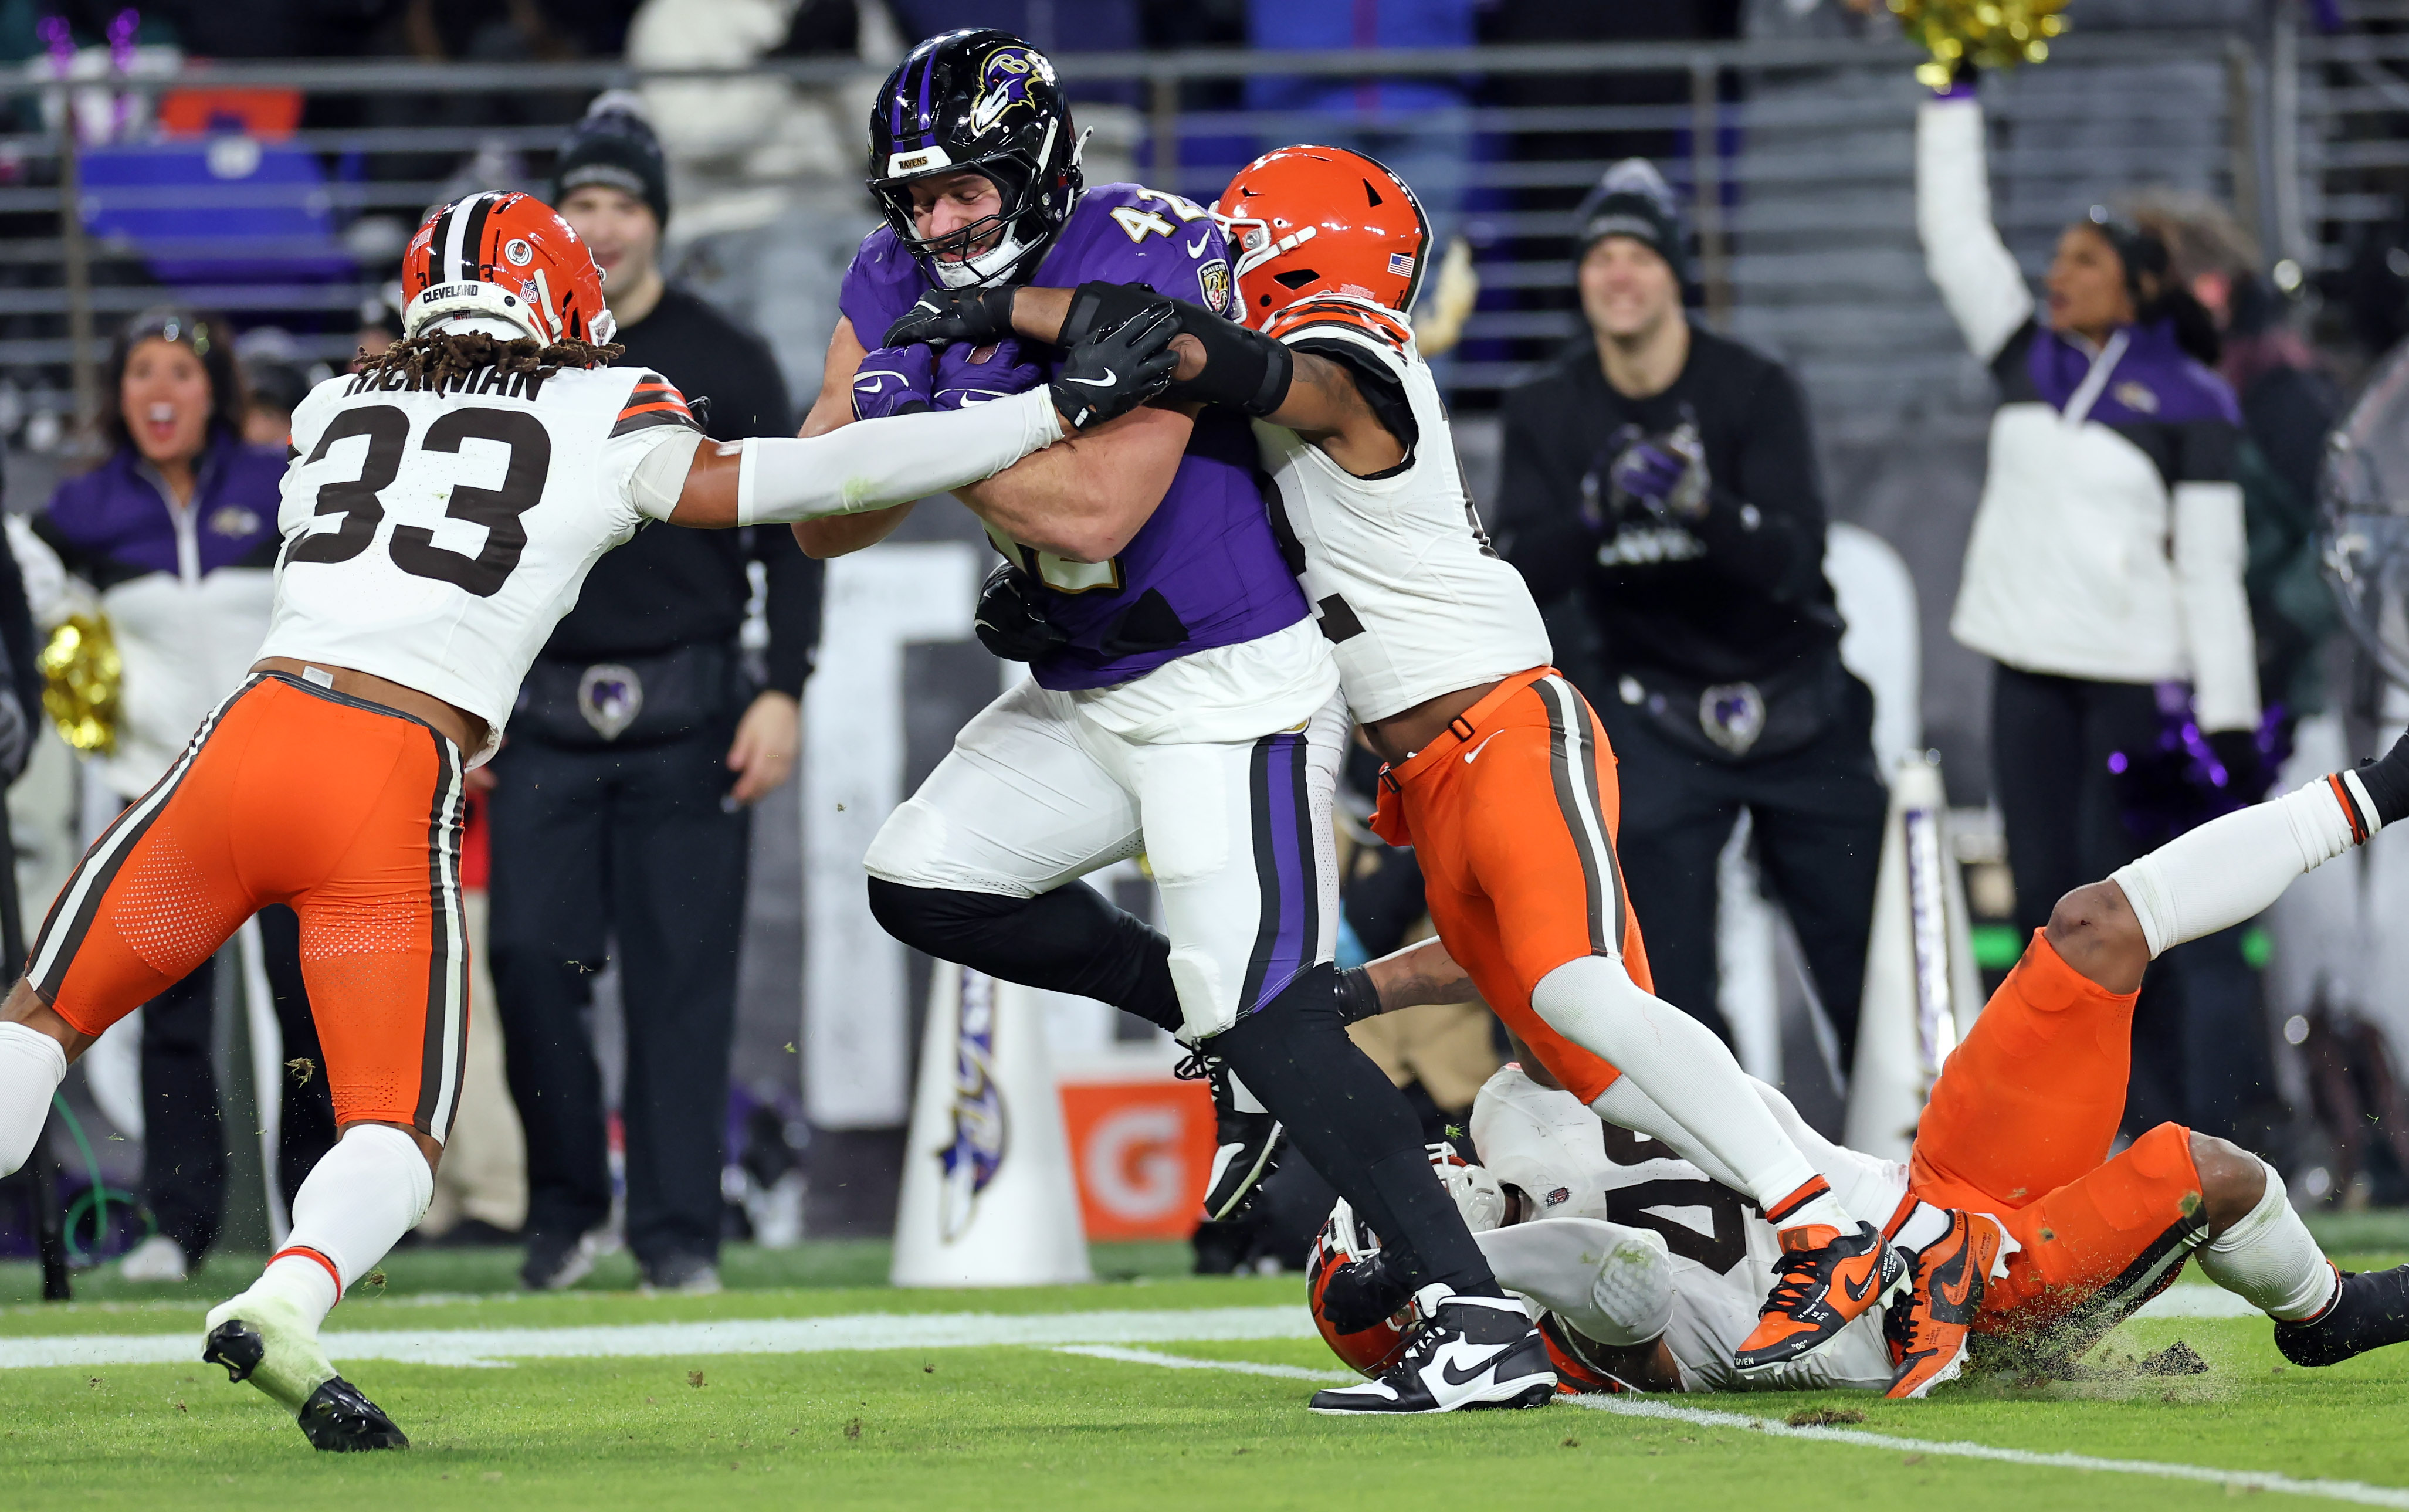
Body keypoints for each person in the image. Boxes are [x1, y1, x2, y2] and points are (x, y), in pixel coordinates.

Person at [0, 187, 1174, 1452]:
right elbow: (808, 481)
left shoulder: (334, 410)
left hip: (242, 742)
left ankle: (272, 1285)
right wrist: (1045, 411)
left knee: (42, 1015)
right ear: (558, 296)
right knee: (393, 1125)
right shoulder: (606, 404)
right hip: (388, 778)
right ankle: (286, 1296)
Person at [885, 141, 1907, 1399]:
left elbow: (1215, 355)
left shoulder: (1353, 356)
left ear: (1291, 245)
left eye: (1238, 241)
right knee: (1586, 1052)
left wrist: (1009, 305)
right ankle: (1901, 1219)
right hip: (1431, 771)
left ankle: (1822, 1228)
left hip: (1505, 726)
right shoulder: (1284, 420)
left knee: (1586, 1001)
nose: (1221, 261)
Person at [808, 29, 1558, 1415]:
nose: (937, 224)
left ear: (1031, 172)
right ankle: (1204, 1026)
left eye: (964, 190)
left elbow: (1097, 507)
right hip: (1086, 685)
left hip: (1229, 685)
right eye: (913, 201)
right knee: (923, 878)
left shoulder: (1148, 247)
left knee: (1271, 1011)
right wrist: (936, 431)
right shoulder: (894, 274)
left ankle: (1475, 1320)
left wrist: (927, 427)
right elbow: (821, 512)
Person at [1334, 741, 2409, 1398]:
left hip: (1927, 1190)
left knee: (2094, 924)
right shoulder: (1574, 1337)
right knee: (2211, 1171)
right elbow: (1628, 1276)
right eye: (1396, 1222)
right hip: (1957, 1306)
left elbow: (1537, 964)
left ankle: (2381, 786)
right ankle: (2328, 1315)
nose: (1416, 1183)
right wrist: (1481, 1257)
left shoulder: (1512, 1107)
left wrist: (1350, 993)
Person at [486, 92, 822, 1296]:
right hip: (536, 719)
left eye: (621, 202)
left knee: (685, 987)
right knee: (525, 959)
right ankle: (566, 1211)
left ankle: (677, 1236)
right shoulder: (514, 366)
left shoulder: (724, 356)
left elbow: (791, 534)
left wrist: (783, 688)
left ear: (658, 221)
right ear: (554, 227)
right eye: (579, 204)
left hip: (694, 713)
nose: (602, 224)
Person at [1489, 159, 1888, 1062]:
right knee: (1670, 979)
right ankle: (1728, 1178)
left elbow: (1796, 562)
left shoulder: (1752, 387)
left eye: (1639, 255)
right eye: (1600, 259)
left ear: (1676, 274)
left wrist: (1706, 509)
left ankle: (1922, 1166)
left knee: (1865, 959)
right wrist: (1595, 513)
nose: (1618, 275)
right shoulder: (1545, 408)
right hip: (1647, 707)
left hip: (1795, 700)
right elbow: (1519, 575)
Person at [1916, 76, 2258, 961]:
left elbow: (2211, 569)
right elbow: (1956, 242)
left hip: (2129, 681)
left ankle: (2145, 1098)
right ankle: (2051, 1098)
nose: (2057, 275)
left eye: (2084, 262)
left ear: (2139, 290)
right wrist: (1950, 96)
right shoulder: (2025, 359)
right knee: (2036, 893)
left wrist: (2229, 721)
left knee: (2124, 902)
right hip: (2025, 668)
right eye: (2057, 259)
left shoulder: (2195, 399)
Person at [29, 306, 334, 1284]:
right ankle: (179, 1224)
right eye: (140, 372)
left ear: (218, 391)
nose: (161, 391)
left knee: (309, 1012)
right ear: (117, 394)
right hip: (158, 799)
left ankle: (315, 1218)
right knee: (173, 1020)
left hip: (289, 790)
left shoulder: (281, 484)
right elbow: (23, 579)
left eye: (181, 373)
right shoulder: (85, 508)